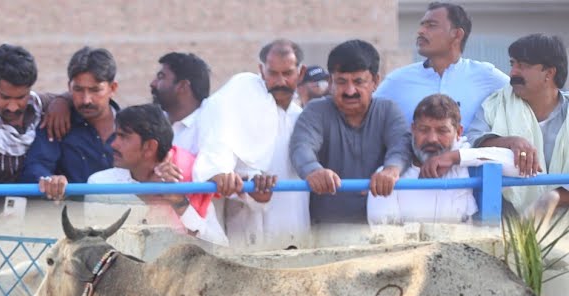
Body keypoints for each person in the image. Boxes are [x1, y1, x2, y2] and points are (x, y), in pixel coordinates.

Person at [195, 39, 310, 249]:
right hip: (248, 230)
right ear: (261, 71)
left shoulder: (303, 119)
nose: (280, 81)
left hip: (296, 227)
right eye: (273, 73)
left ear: (300, 73)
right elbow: (219, 145)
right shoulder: (239, 106)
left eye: (288, 73)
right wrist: (237, 182)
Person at [290, 40, 412, 225]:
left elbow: (402, 145)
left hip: (382, 233)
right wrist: (313, 171)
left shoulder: (388, 110)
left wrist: (391, 170)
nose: (350, 91)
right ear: (330, 82)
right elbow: (301, 146)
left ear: (375, 81)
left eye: (358, 82)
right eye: (341, 82)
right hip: (325, 233)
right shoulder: (316, 111)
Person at [0, 44, 69, 219]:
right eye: (5, 97)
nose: (13, 107)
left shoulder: (42, 106)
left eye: (21, 97)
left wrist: (62, 102)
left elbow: (75, 98)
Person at [368, 93, 519, 224]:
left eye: (442, 131)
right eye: (424, 130)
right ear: (413, 129)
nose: (432, 139)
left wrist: (455, 157)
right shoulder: (389, 177)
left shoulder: (468, 164)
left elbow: (519, 168)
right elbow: (385, 239)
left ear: (458, 132)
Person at [469, 33, 569, 213]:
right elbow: (472, 142)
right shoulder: (495, 104)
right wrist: (509, 142)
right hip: (507, 222)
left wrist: (553, 198)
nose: (512, 72)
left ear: (549, 73)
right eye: (512, 64)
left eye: (523, 65)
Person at [375, 3, 507, 132]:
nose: (420, 31)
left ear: (457, 34)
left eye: (431, 25)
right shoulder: (397, 81)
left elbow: (522, 99)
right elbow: (366, 118)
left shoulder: (487, 77)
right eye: (422, 25)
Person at [86, 104, 214, 237]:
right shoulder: (100, 184)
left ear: (149, 147)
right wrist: (145, 199)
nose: (113, 144)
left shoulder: (190, 180)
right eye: (116, 136)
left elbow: (219, 244)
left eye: (123, 137)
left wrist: (180, 203)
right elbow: (101, 244)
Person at [20, 47, 119, 191]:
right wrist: (49, 181)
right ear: (69, 87)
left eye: (95, 90)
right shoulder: (56, 124)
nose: (86, 100)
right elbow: (36, 167)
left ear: (113, 88)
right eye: (78, 90)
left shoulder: (132, 128)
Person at [150, 52, 211, 154]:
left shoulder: (207, 131)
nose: (153, 84)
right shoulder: (152, 124)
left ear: (182, 86)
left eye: (161, 77)